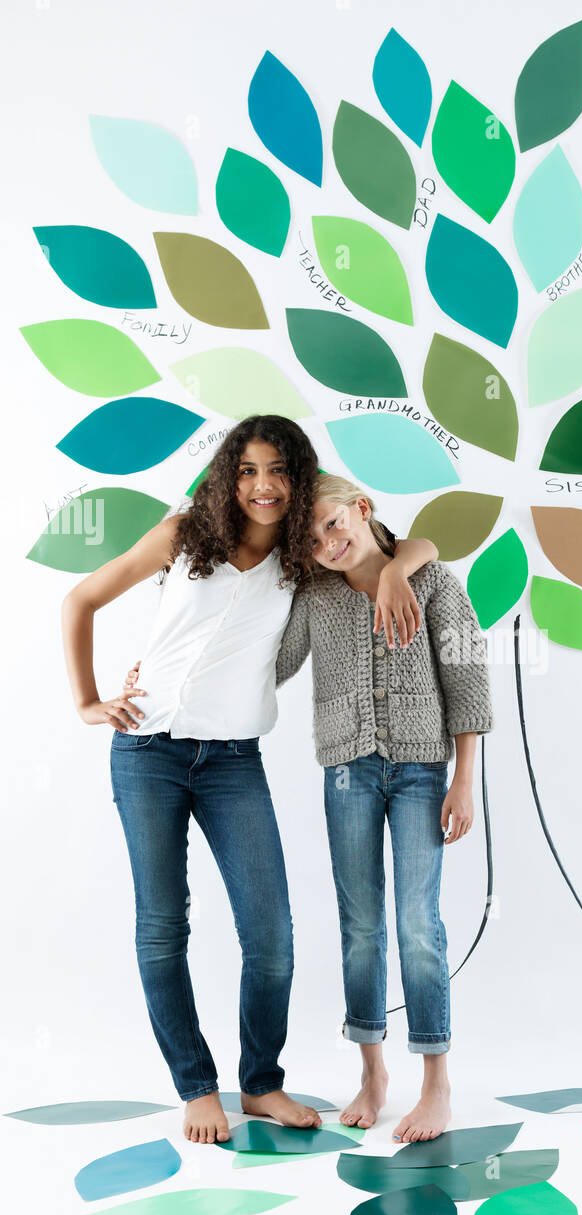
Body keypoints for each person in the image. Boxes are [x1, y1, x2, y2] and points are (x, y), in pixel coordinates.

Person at [61, 415, 437, 1143]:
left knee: (271, 937)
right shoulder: (181, 537)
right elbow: (80, 599)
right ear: (229, 476)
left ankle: (260, 1083)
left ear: (297, 482)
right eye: (247, 470)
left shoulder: (303, 560)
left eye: (278, 472)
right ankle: (197, 1087)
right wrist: (87, 700)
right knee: (163, 927)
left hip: (233, 761)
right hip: (148, 752)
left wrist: (394, 570)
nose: (262, 486)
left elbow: (412, 542)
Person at [275, 473, 494, 1142]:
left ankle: (436, 1082)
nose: (327, 543)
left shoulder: (431, 582)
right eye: (310, 540)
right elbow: (274, 663)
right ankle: (372, 1072)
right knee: (360, 925)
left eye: (334, 525)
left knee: (416, 924)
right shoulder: (313, 594)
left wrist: (465, 781)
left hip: (422, 771)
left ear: (361, 510)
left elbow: (467, 676)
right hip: (347, 769)